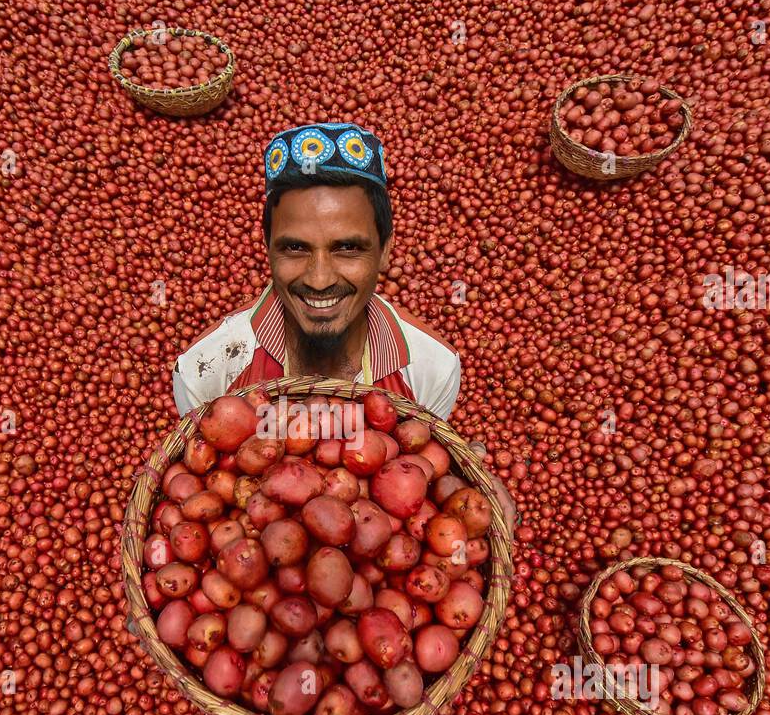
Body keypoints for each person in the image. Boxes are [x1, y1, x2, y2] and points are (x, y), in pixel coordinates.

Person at [170, 122, 516, 526]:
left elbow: (418, 467)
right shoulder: (207, 369)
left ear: (385, 252)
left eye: (348, 248)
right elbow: (203, 481)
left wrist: (463, 487)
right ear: (267, 251)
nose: (320, 279)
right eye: (296, 248)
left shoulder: (431, 368)